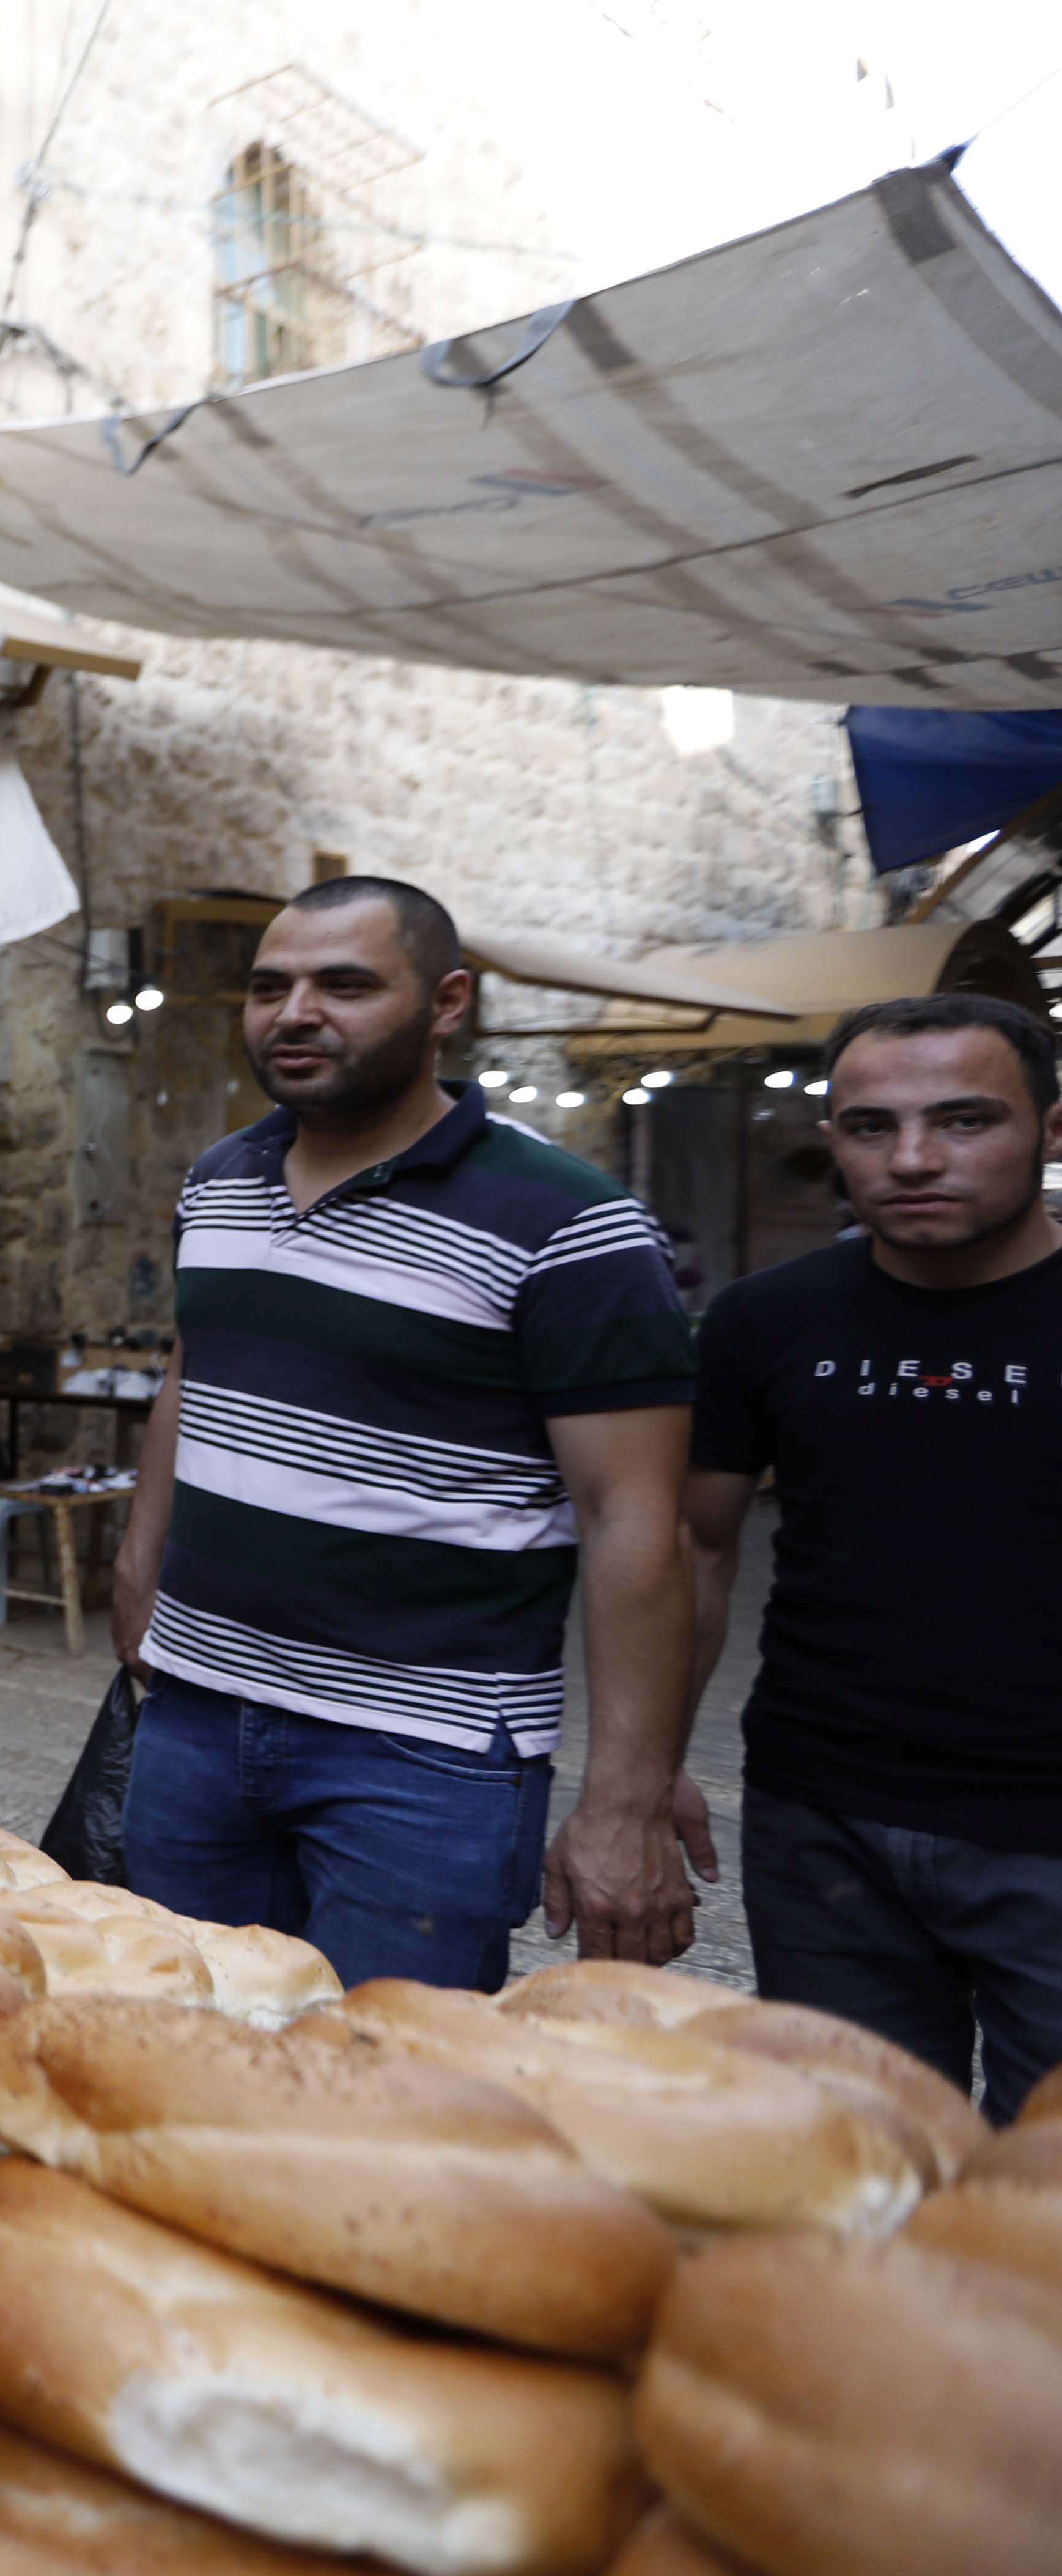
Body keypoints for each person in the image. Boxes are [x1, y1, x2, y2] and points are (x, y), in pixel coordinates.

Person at [111, 876, 700, 1991]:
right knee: (185, 2050)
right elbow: (192, 1379)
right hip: (195, 1720)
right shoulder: (220, 1181)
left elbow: (636, 1517)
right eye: (269, 987)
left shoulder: (571, 1222)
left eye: (345, 984)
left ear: (446, 1003)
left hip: (420, 1755)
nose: (294, 1013)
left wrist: (624, 1800)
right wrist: (140, 1575)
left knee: (389, 2097)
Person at [687, 993, 1062, 2116]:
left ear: (1052, 1128)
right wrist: (644, 1770)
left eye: (963, 1121)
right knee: (859, 2165)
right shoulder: (765, 1323)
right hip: (822, 1824)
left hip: (1050, 1831)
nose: (912, 1159)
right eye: (869, 1127)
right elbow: (693, 1547)